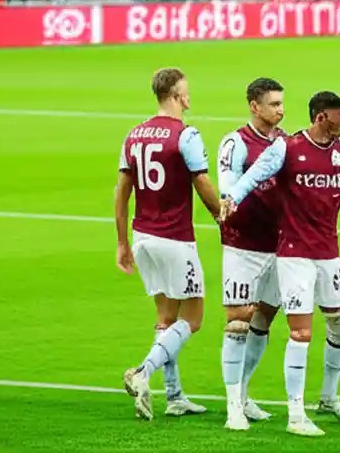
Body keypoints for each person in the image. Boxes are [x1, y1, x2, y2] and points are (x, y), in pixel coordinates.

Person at [222, 91, 340, 438]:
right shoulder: (287, 148)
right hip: (295, 256)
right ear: (322, 116)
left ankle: (329, 398)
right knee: (301, 333)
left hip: (328, 252)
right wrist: (233, 197)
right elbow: (255, 175)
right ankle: (295, 414)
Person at [116, 68, 224, 420]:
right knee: (193, 318)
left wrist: (122, 242)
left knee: (166, 317)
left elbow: (121, 193)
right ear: (178, 97)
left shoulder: (133, 136)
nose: (189, 98)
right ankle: (143, 372)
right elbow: (202, 181)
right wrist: (220, 211)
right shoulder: (186, 135)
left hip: (143, 238)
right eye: (186, 93)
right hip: (175, 239)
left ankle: (174, 395)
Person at [216, 77, 287, 430]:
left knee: (264, 320)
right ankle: (232, 408)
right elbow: (228, 183)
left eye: (281, 103)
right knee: (239, 320)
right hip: (242, 244)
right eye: (273, 104)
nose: (281, 110)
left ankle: (244, 394)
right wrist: (231, 199)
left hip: (279, 245)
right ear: (254, 106)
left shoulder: (287, 143)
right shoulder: (236, 142)